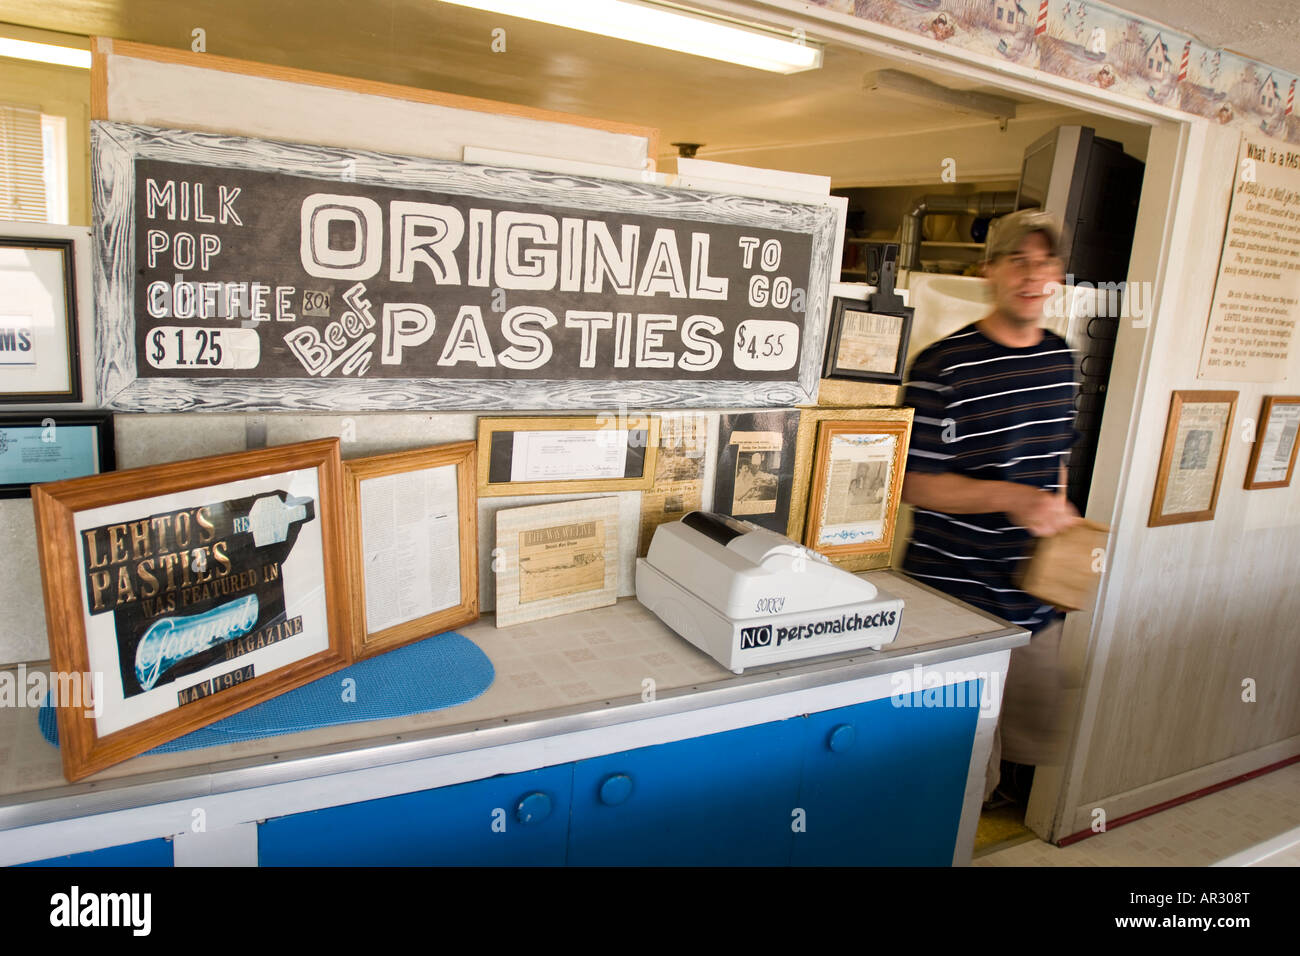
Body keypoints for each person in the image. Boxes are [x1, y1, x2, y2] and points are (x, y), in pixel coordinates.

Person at [900, 208, 1081, 808]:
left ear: (1058, 274)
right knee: (954, 768)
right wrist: (1012, 498)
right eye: (1017, 261)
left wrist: (1060, 519)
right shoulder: (941, 366)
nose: (1033, 276)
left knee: (1020, 748)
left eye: (1045, 263)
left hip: (1034, 596)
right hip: (953, 598)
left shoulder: (1061, 362)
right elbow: (914, 484)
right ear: (989, 273)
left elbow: (1055, 461)